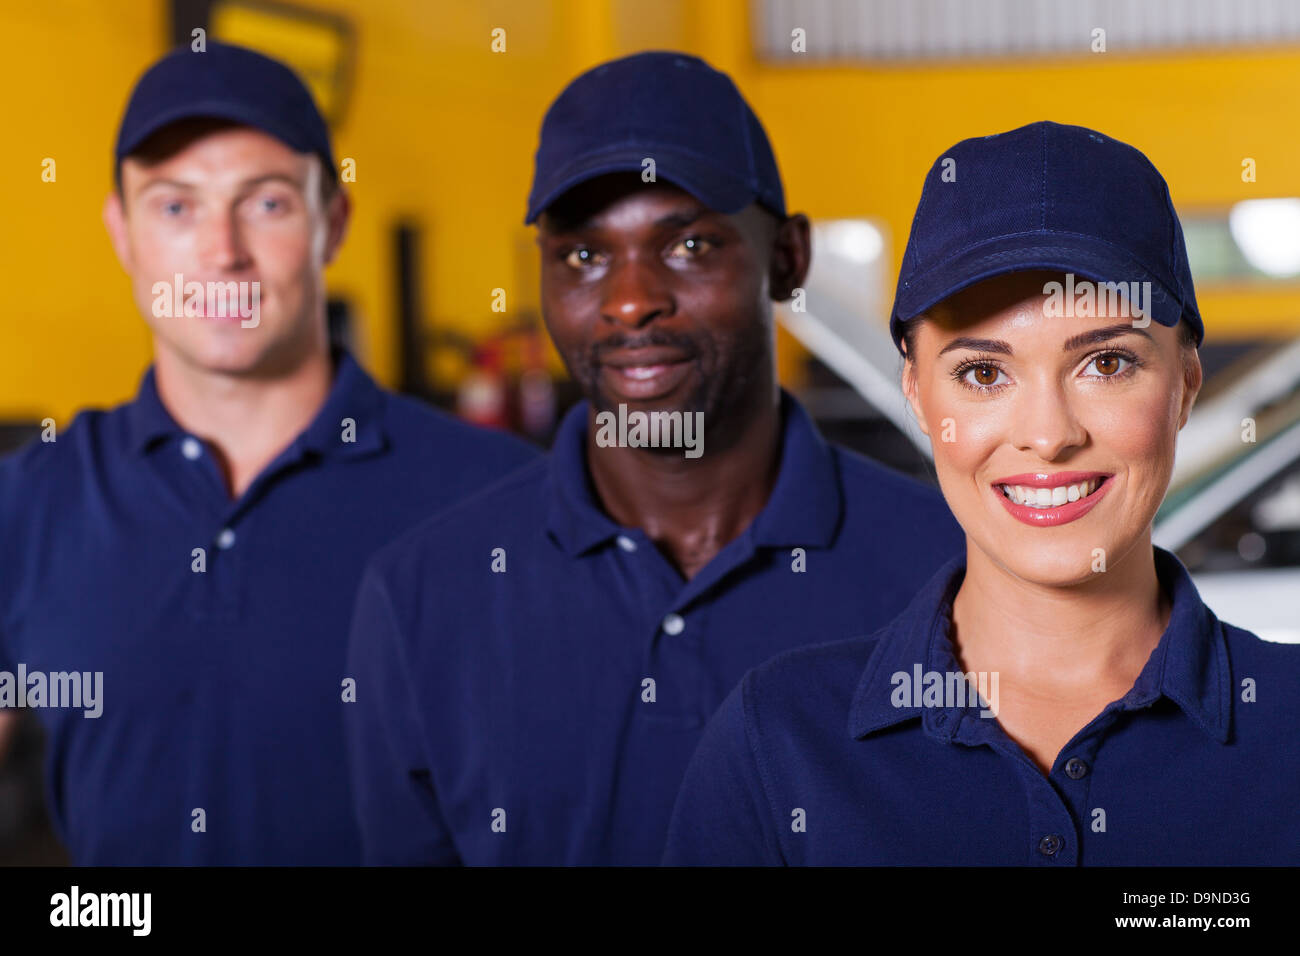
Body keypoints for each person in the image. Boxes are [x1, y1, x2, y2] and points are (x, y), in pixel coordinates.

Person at [344, 51, 964, 866]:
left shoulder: (953, 576)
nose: (630, 299)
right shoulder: (424, 595)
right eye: (583, 256)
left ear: (787, 259)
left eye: (689, 245)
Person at [664, 121, 1300, 866]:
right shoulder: (778, 743)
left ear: (1185, 383)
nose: (1048, 435)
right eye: (983, 374)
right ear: (916, 392)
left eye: (1106, 363)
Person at [0, 42, 537, 865]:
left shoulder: (498, 499)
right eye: (175, 207)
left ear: (334, 222)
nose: (222, 252)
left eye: (268, 203)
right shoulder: (29, 500)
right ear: (122, 231)